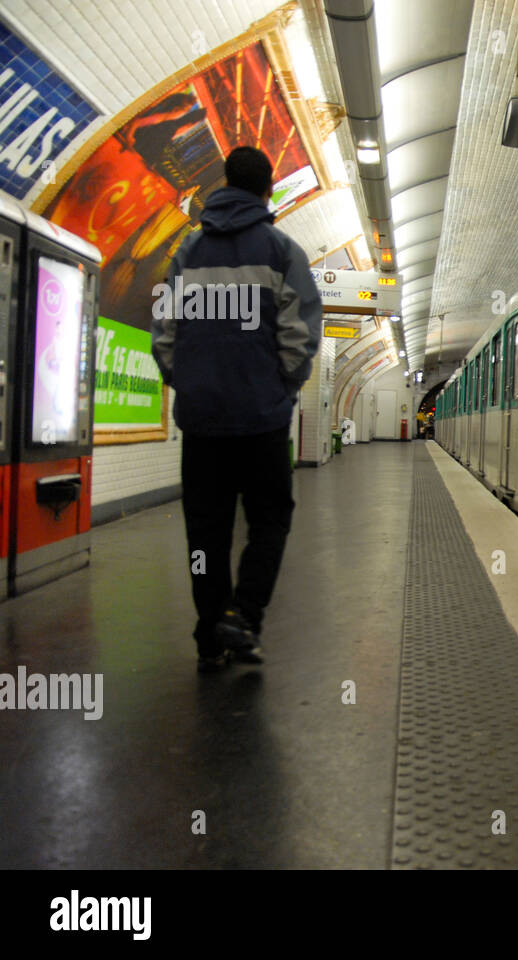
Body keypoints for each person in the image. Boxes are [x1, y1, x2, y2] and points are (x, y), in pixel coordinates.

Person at [151, 146, 322, 671]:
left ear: (225, 183)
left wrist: (187, 383)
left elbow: (164, 333)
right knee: (270, 520)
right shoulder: (282, 252)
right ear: (269, 190)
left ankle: (209, 632)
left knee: (205, 533)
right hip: (262, 423)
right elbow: (300, 336)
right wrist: (282, 389)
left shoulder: (188, 251)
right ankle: (244, 616)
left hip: (203, 424)